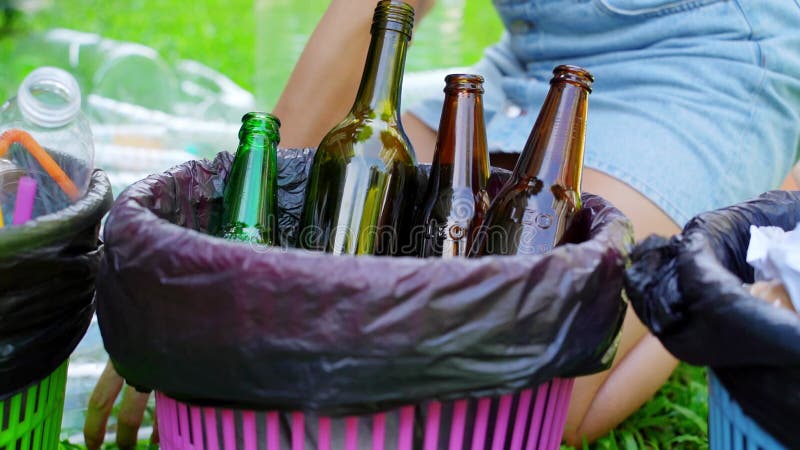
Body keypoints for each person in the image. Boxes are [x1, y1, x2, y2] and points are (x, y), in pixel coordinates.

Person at [84, 0, 800, 447]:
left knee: (539, 385)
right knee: (353, 195)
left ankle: (723, 256)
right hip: (531, 60)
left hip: (706, 66)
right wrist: (206, 280)